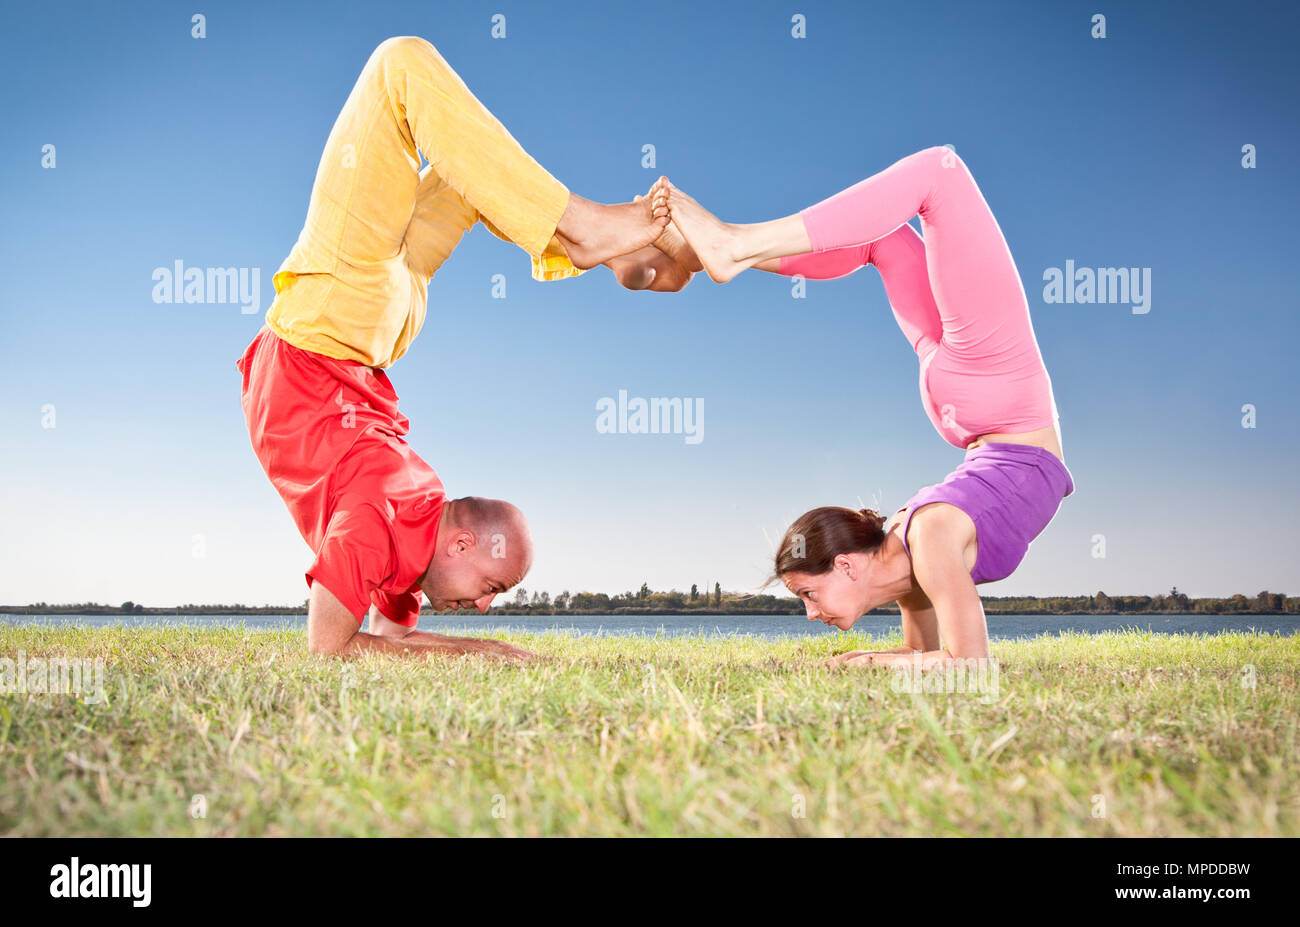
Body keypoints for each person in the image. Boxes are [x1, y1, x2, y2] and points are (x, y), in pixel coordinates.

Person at [238, 36, 697, 659]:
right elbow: (351, 648)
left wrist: (476, 649)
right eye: (491, 588)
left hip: (351, 327)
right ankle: (590, 238)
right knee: (402, 70)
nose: (483, 606)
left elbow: (356, 647)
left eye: (493, 597)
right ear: (456, 546)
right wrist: (482, 650)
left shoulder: (396, 525)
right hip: (339, 325)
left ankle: (596, 246)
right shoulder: (391, 519)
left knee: (435, 126)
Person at [663, 146, 1074, 668]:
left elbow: (968, 669)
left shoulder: (924, 534)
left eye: (808, 594)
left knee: (935, 174)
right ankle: (718, 252)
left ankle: (728, 247)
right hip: (987, 404)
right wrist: (862, 661)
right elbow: (923, 656)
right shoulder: (916, 554)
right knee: (893, 222)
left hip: (991, 392)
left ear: (846, 566)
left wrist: (867, 664)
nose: (810, 615)